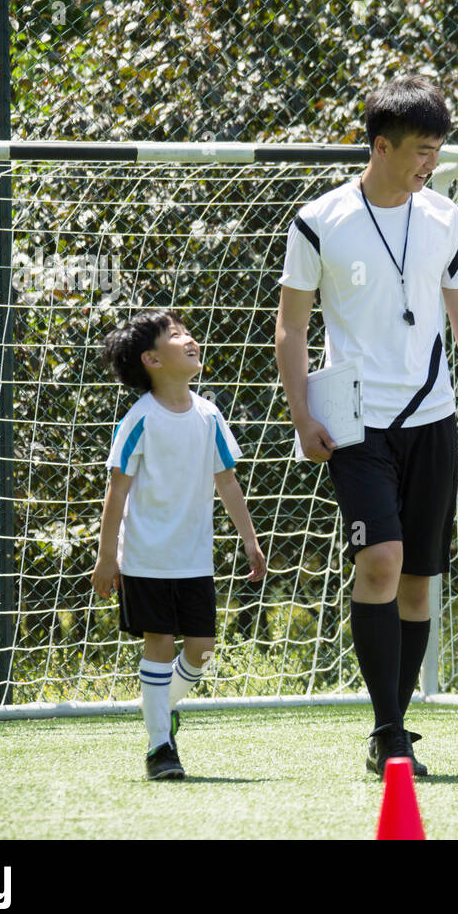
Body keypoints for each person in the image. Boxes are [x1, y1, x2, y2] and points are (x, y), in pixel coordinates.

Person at [275, 75, 458, 777]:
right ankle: (389, 730)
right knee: (378, 562)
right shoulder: (319, 219)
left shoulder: (446, 218)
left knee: (416, 582)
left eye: (437, 150)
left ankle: (394, 731)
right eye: (421, 151)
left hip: (432, 419)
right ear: (381, 145)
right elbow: (291, 328)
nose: (430, 164)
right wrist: (301, 415)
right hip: (355, 425)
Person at [92, 309, 267, 780]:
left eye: (188, 332)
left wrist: (249, 539)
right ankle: (159, 749)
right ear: (151, 359)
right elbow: (118, 489)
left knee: (203, 648)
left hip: (194, 560)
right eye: (176, 335)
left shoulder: (209, 414)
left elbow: (227, 481)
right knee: (160, 643)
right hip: (147, 559)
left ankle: (159, 709)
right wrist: (107, 557)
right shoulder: (139, 420)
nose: (189, 339)